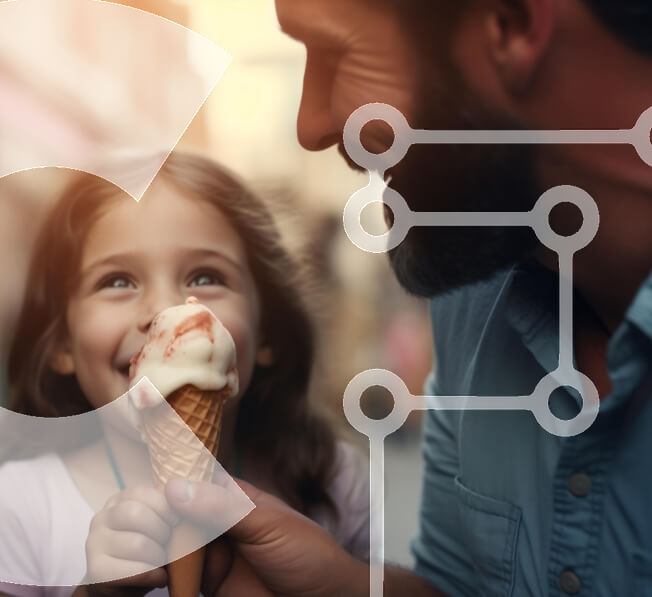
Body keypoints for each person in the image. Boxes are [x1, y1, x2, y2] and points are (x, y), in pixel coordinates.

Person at [165, 0, 652, 595]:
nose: (311, 125)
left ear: (513, 23)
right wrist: (342, 587)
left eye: (340, 52)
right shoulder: (476, 288)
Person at [0, 152, 376, 597]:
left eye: (205, 276)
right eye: (118, 281)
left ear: (267, 333)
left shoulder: (333, 482)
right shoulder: (23, 503)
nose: (166, 310)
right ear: (61, 343)